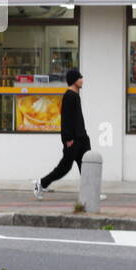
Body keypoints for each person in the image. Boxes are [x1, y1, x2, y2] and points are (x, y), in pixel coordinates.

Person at [33, 68, 88, 199]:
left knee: (87, 166)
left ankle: (90, 192)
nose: (82, 80)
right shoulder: (69, 96)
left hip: (82, 138)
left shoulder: (75, 95)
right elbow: (66, 119)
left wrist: (84, 135)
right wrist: (68, 138)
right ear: (74, 80)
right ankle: (41, 183)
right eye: (80, 77)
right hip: (73, 140)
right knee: (64, 168)